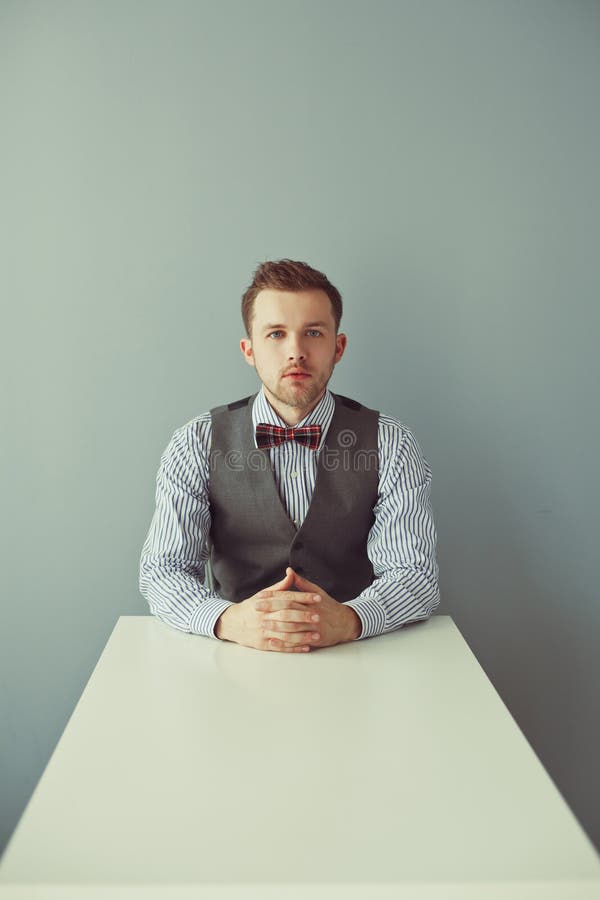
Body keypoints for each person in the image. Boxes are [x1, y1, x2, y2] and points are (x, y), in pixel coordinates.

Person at [139, 259, 440, 652]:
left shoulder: (392, 442)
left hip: (359, 656)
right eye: (276, 334)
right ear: (249, 349)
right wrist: (226, 619)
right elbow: (164, 570)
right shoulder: (195, 442)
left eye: (313, 332)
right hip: (232, 658)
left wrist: (352, 619)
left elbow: (415, 575)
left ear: (339, 346)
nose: (295, 351)